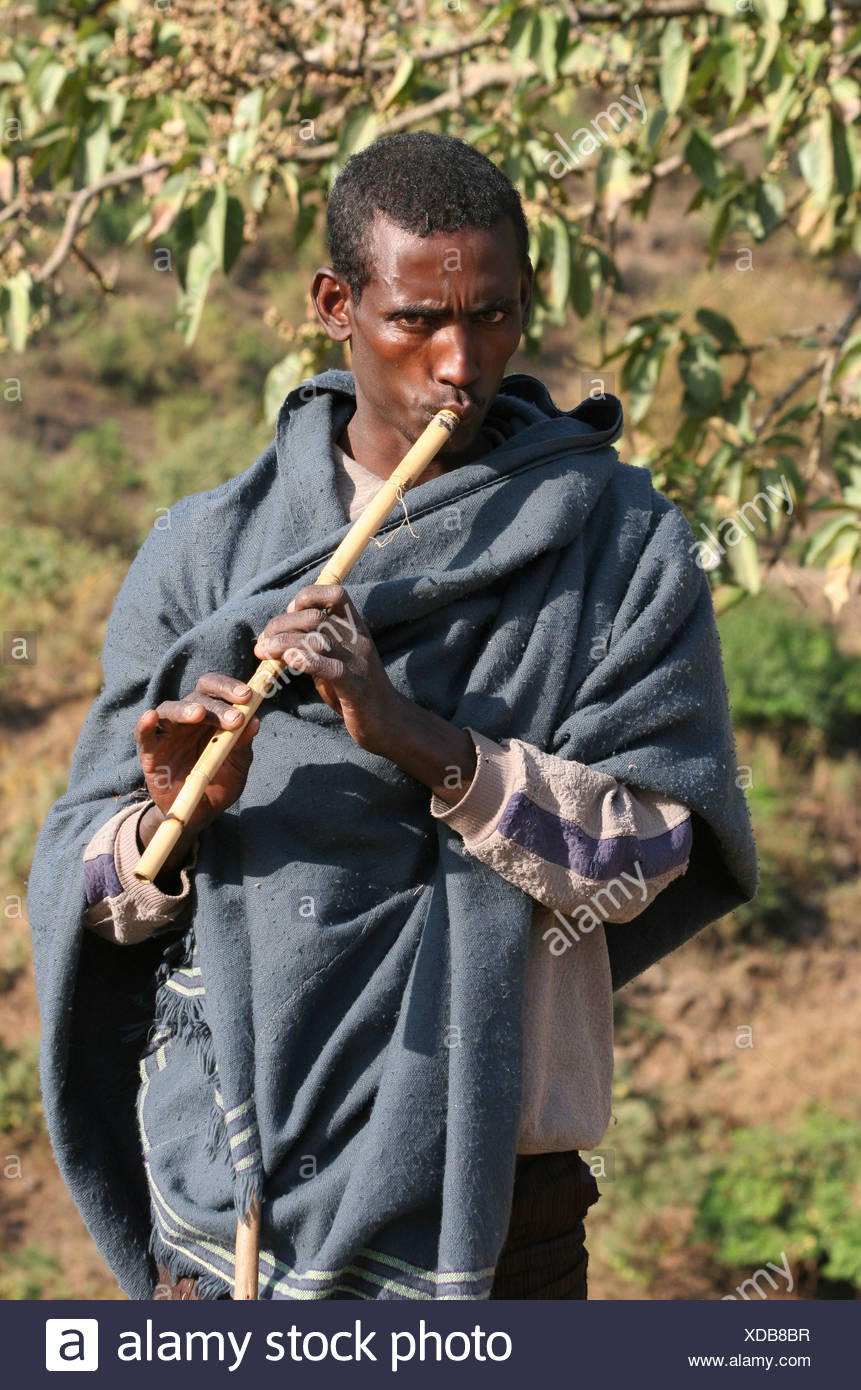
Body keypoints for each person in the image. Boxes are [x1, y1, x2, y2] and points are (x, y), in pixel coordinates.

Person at [28, 131, 757, 1301]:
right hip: (231, 1210)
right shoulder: (204, 550)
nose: (459, 364)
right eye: (417, 320)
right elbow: (84, 888)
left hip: (496, 1209)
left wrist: (416, 737)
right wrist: (169, 824)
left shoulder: (616, 545)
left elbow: (647, 853)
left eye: (497, 317)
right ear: (335, 304)